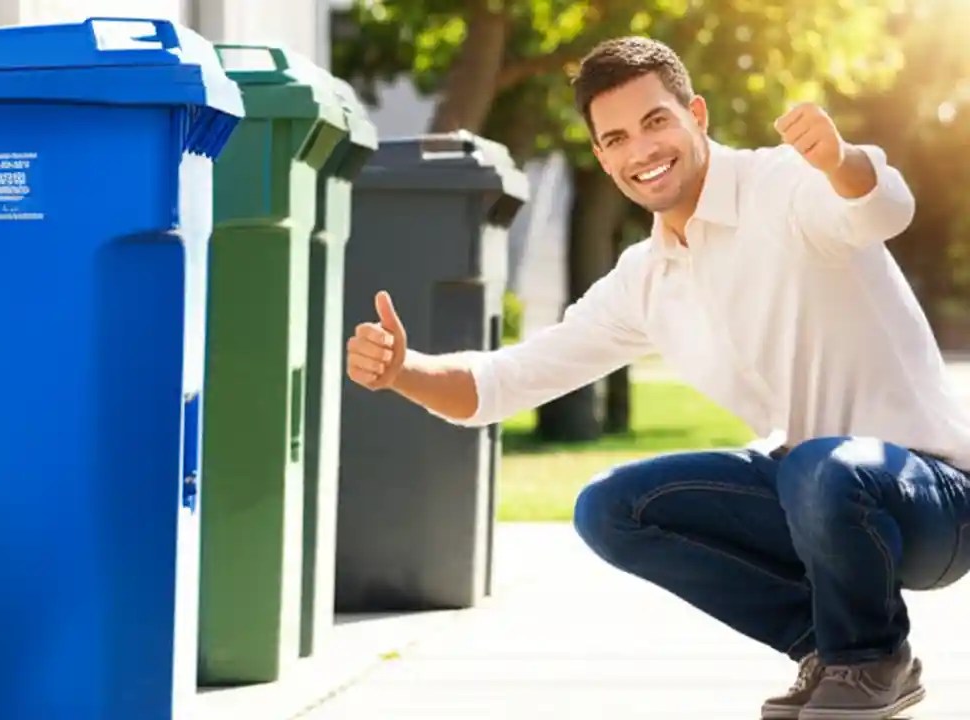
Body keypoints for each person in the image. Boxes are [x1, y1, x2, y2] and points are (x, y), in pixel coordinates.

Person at [345, 35, 970, 720]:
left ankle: (870, 656)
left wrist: (839, 159)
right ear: (601, 156)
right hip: (812, 493)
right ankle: (828, 648)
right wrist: (404, 370)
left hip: (933, 497)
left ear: (696, 115)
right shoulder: (648, 278)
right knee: (612, 507)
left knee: (816, 467)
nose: (640, 150)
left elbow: (884, 210)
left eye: (655, 121)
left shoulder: (784, 185)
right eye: (615, 138)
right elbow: (502, 383)